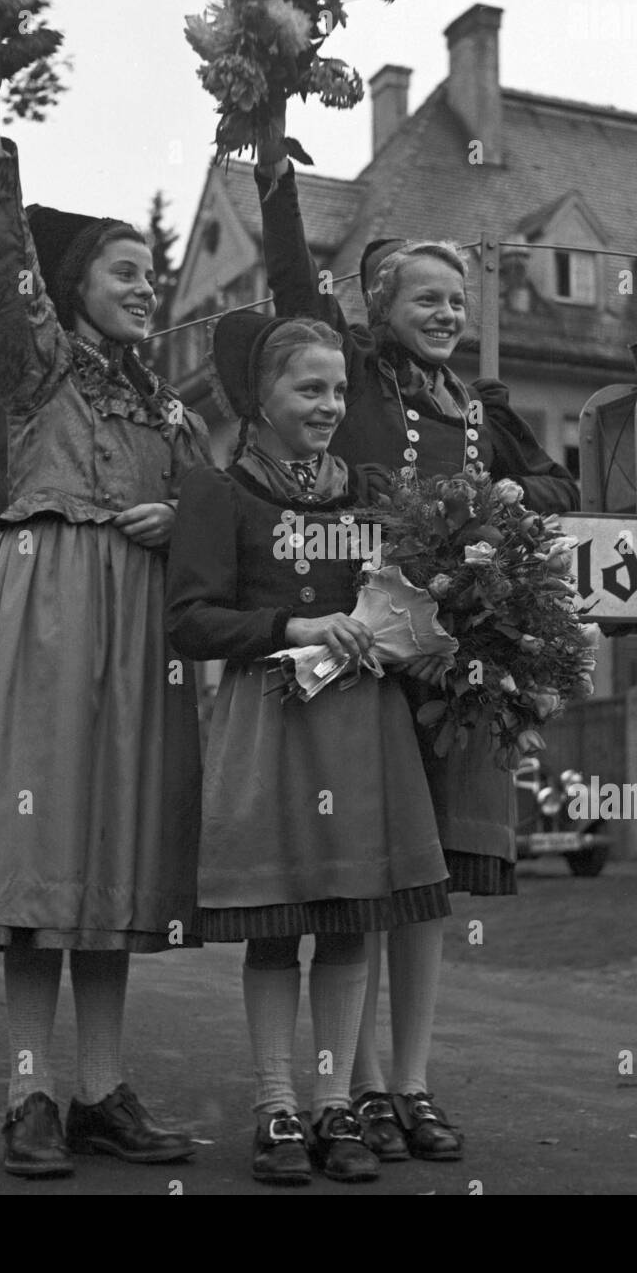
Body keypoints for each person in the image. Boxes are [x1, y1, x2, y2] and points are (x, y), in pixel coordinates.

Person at [251, 99, 580, 1160]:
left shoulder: (482, 410)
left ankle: (411, 1081)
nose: (443, 312)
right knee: (369, 875)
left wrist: (521, 506)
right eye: (424, 297)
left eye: (456, 298)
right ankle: (338, 1091)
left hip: (460, 668)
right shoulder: (347, 381)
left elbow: (553, 479)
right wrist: (268, 142)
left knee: (432, 882)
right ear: (376, 304)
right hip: (363, 661)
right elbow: (293, 285)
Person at [0, 28, 212, 1179]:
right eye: (123, 273)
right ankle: (28, 1094)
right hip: (47, 608)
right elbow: (4, 253)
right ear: (74, 292)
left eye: (153, 274)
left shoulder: (170, 411)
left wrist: (178, 519)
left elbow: (219, 519)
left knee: (115, 858)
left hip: (139, 628)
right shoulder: (40, 362)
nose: (146, 287)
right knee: (43, 858)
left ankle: (101, 1090)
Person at [166, 312, 452, 1186]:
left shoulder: (369, 492)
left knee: (348, 918)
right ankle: (275, 1107)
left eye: (337, 389)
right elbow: (190, 619)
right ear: (262, 396)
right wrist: (293, 622)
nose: (328, 404)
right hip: (274, 719)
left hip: (362, 725)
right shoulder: (219, 492)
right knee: (278, 922)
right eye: (308, 388)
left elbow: (412, 587)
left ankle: (335, 1103)